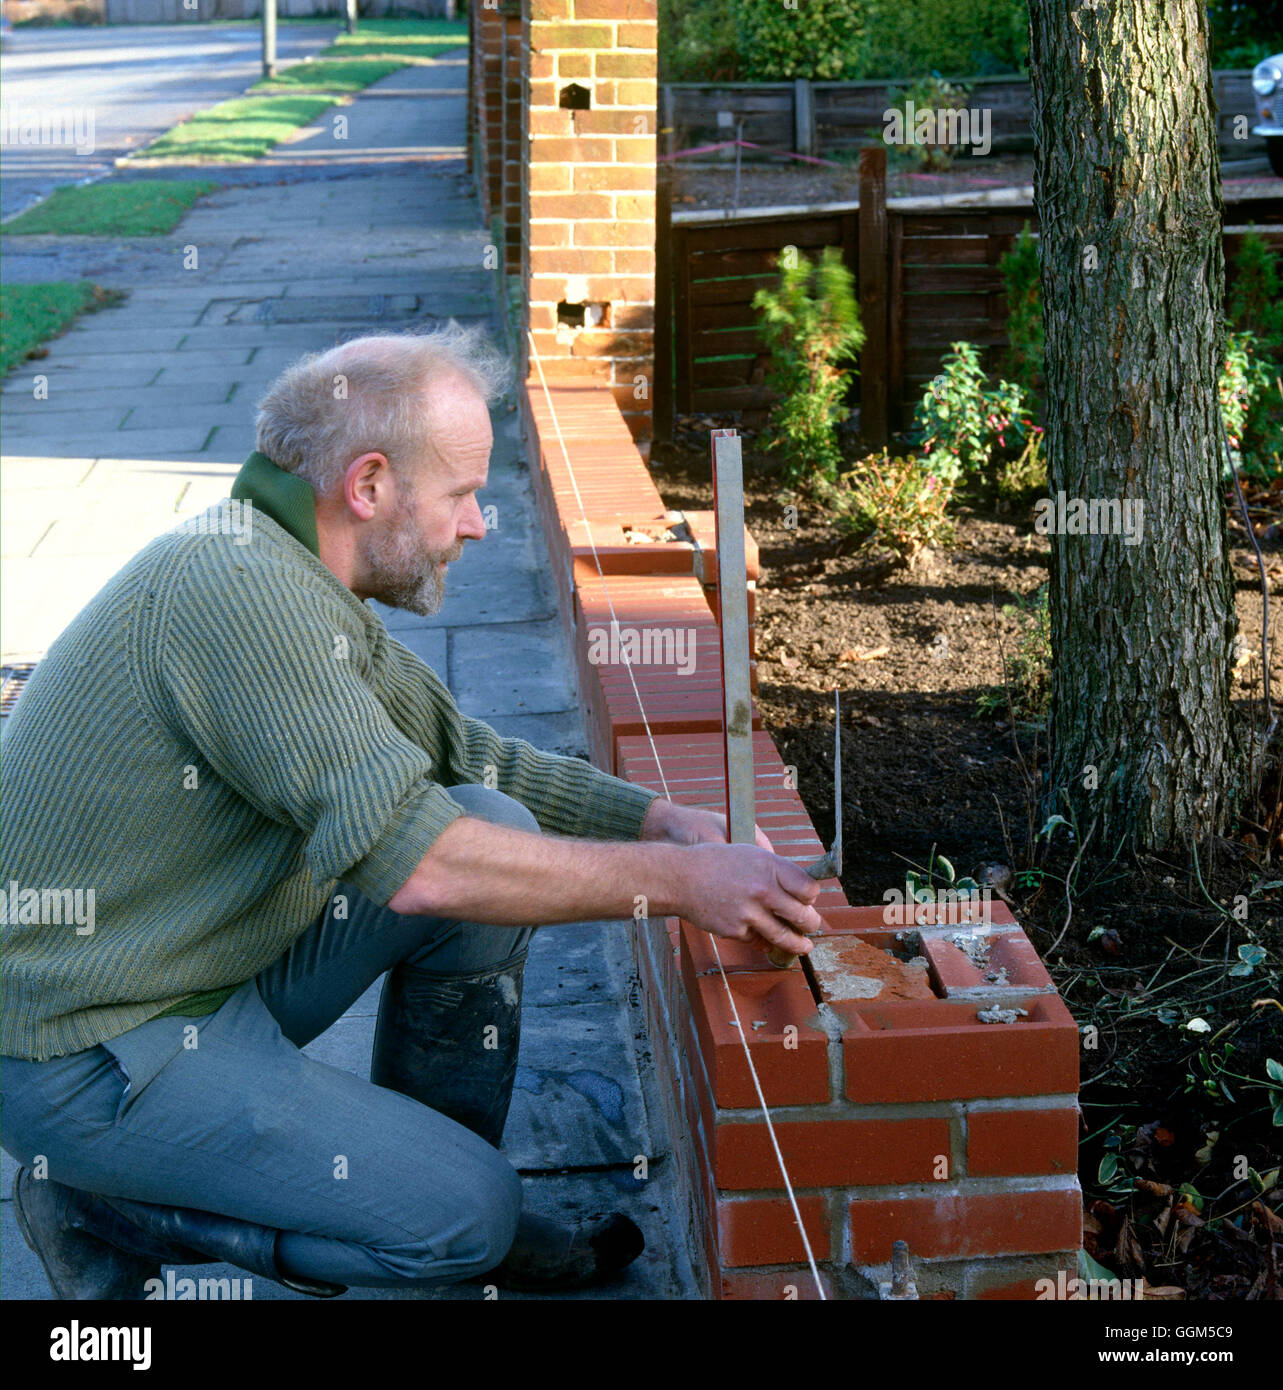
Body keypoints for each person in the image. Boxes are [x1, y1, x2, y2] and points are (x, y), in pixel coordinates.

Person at [0, 324, 820, 1300]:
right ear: (370, 485)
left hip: (192, 973)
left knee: (494, 818)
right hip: (88, 1055)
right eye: (462, 494)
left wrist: (655, 823)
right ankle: (103, 1206)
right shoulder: (241, 602)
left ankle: (407, 1188)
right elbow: (419, 863)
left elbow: (468, 759)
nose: (477, 524)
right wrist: (682, 883)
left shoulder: (287, 571)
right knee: (461, 1215)